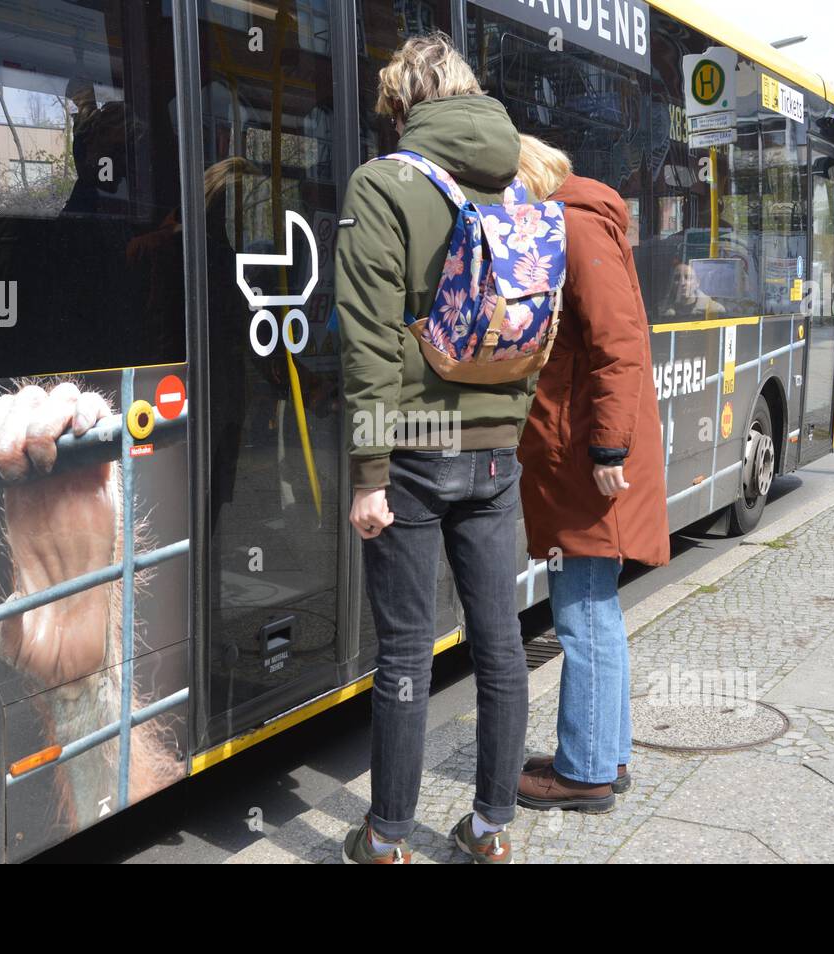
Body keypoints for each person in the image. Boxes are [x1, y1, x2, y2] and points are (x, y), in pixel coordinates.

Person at [334, 32, 534, 863]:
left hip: (414, 455)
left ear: (401, 103)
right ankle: (491, 831)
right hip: (495, 455)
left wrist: (369, 474)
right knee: (501, 644)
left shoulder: (383, 184)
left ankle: (386, 838)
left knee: (407, 653)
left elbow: (368, 344)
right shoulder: (518, 180)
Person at [513, 135, 670, 814]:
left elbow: (618, 344)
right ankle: (607, 754)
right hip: (580, 451)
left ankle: (584, 774)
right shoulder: (577, 221)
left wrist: (608, 450)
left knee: (581, 614)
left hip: (585, 458)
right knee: (594, 610)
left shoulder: (574, 227)